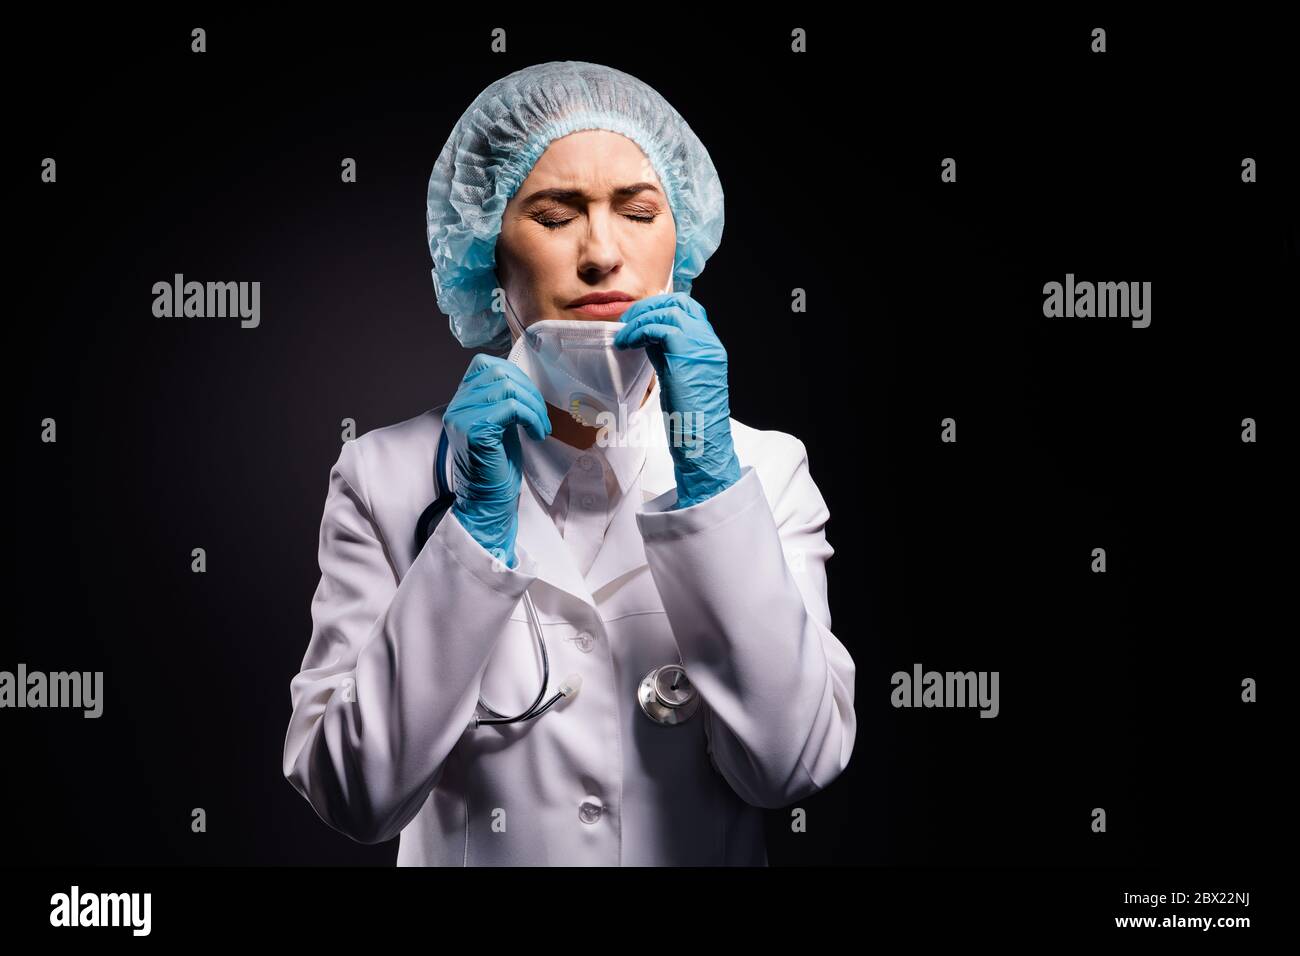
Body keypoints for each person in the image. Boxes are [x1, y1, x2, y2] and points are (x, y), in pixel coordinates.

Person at [281, 60, 856, 866]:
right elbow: (353, 794)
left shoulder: (765, 469)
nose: (601, 254)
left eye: (639, 211)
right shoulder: (386, 478)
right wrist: (473, 541)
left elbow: (792, 764)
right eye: (555, 216)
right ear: (486, 253)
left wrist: (709, 482)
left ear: (679, 240)